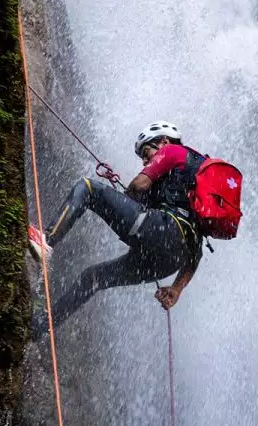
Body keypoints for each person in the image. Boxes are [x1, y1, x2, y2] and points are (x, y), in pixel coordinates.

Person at [30, 121, 204, 323]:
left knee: (88, 188)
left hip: (161, 231)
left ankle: (46, 241)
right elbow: (195, 252)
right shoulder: (192, 180)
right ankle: (40, 327)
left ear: (164, 142)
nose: (145, 162)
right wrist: (176, 289)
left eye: (146, 153)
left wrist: (127, 195)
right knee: (93, 278)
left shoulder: (173, 151)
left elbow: (139, 185)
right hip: (166, 262)